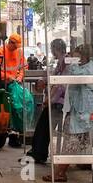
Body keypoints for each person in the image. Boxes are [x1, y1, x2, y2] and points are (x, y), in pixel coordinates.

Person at [44, 43, 93, 183]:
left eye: (76, 57)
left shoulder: (87, 69)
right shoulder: (86, 67)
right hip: (77, 108)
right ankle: (82, 162)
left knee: (71, 139)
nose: (73, 60)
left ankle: (60, 172)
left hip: (82, 110)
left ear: (84, 57)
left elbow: (75, 74)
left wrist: (72, 63)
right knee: (76, 137)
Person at [28, 38, 69, 166]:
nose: (51, 51)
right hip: (57, 100)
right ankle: (37, 151)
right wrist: (43, 80)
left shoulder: (65, 62)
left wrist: (50, 100)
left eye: (52, 48)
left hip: (61, 102)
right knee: (42, 123)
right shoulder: (60, 62)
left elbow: (60, 85)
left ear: (56, 49)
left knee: (44, 125)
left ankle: (39, 152)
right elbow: (53, 76)